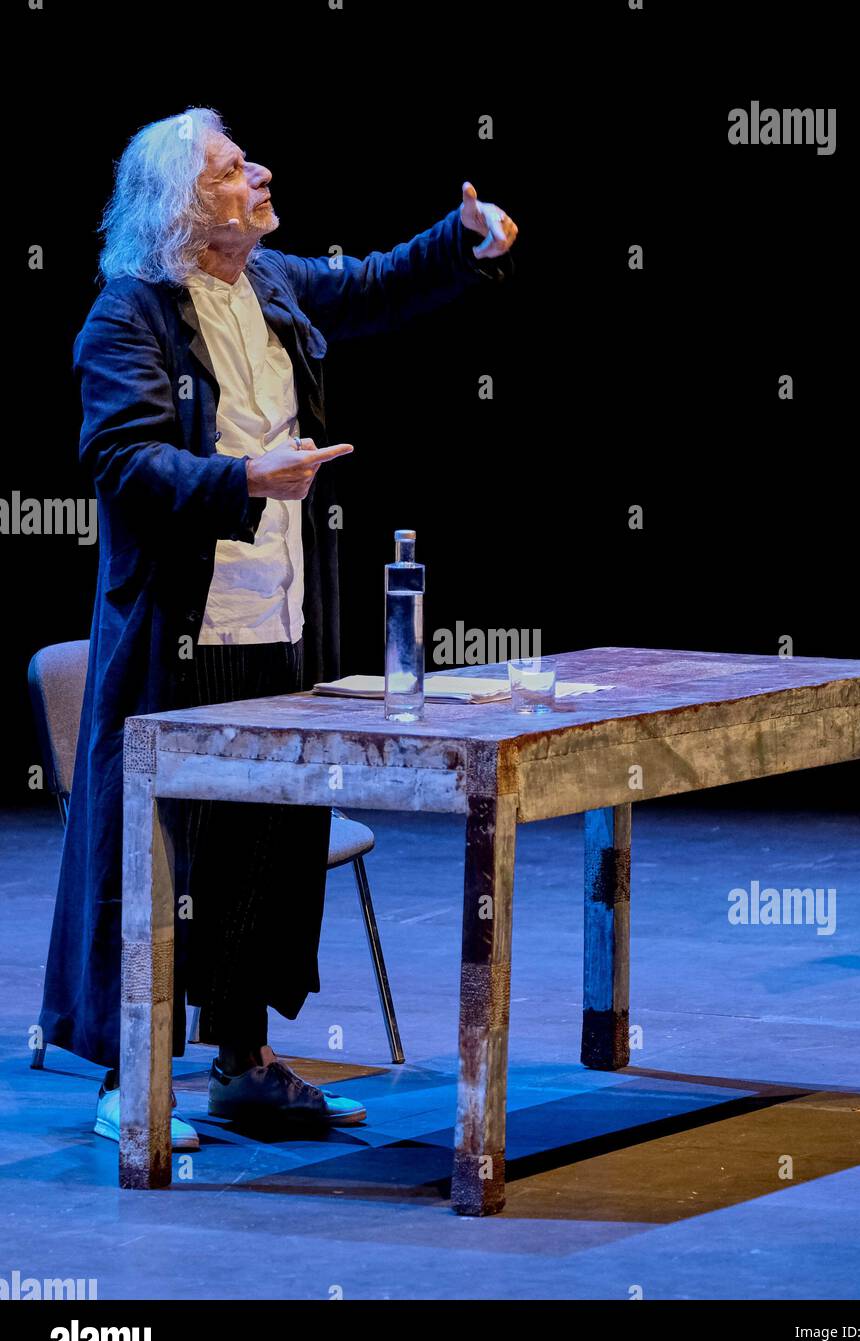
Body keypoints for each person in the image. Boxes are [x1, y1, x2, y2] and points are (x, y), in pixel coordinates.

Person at [39, 106, 517, 1149]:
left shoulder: (275, 284)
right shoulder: (129, 317)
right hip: (178, 634)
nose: (258, 171)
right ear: (182, 206)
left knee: (262, 851)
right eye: (229, 166)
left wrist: (460, 239)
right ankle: (132, 1074)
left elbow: (378, 284)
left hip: (281, 619)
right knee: (165, 854)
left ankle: (243, 1064)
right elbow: (120, 464)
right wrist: (242, 477)